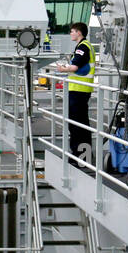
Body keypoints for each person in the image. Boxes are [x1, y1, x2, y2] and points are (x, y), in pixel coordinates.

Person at [54, 22, 94, 162]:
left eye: (72, 31)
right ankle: (84, 155)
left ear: (79, 33)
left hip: (79, 90)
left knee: (77, 124)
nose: (71, 34)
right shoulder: (84, 46)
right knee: (81, 123)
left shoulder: (82, 47)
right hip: (81, 89)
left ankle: (80, 155)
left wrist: (62, 69)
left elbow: (75, 67)